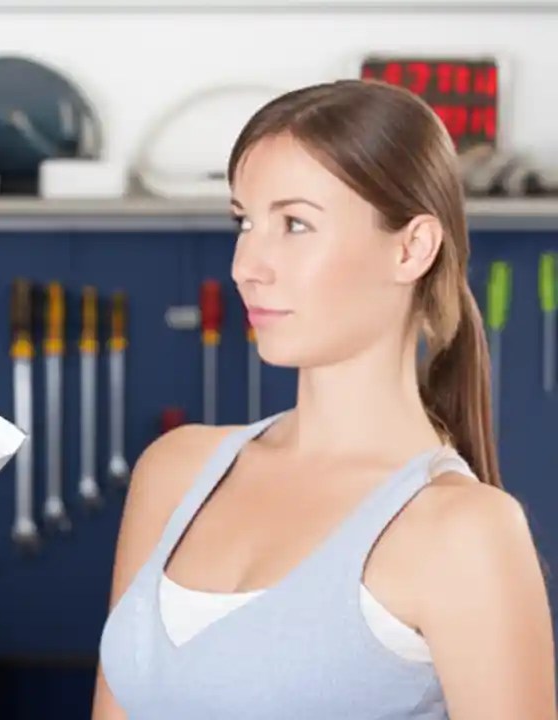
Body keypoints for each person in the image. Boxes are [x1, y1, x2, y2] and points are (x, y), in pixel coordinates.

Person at [92, 79, 556, 719]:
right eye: (244, 221)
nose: (246, 264)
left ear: (411, 248)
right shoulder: (176, 472)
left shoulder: (463, 531)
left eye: (295, 224)